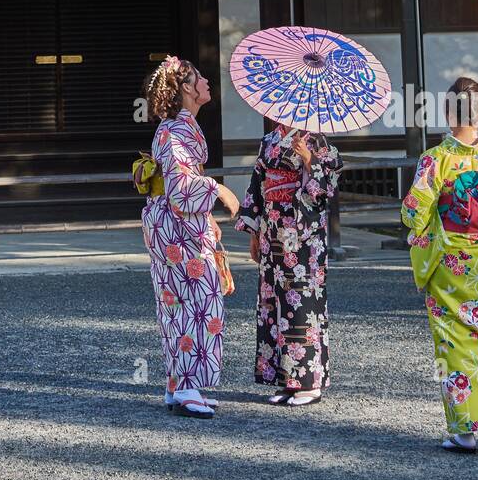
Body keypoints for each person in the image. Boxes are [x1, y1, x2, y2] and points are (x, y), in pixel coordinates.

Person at [401, 76, 478, 452]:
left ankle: (464, 432)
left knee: (454, 341)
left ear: (446, 112)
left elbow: (413, 212)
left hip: (452, 260)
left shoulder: (435, 160)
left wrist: (423, 228)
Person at [140, 56, 239, 418]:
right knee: (193, 302)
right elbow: (181, 187)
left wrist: (208, 217)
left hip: (177, 225)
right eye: (199, 78)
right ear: (185, 88)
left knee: (179, 301)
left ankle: (177, 385)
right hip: (177, 229)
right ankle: (185, 386)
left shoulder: (177, 129)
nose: (207, 82)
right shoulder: (175, 131)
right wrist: (219, 190)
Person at [235, 123, 342, 406]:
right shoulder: (269, 140)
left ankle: (309, 382)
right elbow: (258, 186)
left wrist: (309, 158)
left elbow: (327, 186)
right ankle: (285, 379)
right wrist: (255, 232)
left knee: (301, 302)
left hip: (302, 235)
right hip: (272, 231)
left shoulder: (317, 140)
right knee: (273, 302)